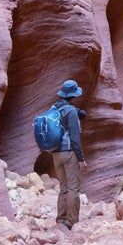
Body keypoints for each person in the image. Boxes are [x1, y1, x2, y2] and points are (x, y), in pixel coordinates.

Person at [50, 79, 87, 230]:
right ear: (74, 95)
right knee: (73, 188)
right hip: (69, 153)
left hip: (55, 153)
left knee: (64, 187)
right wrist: (81, 159)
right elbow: (74, 138)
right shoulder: (70, 111)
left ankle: (61, 219)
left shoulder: (55, 108)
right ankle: (71, 222)